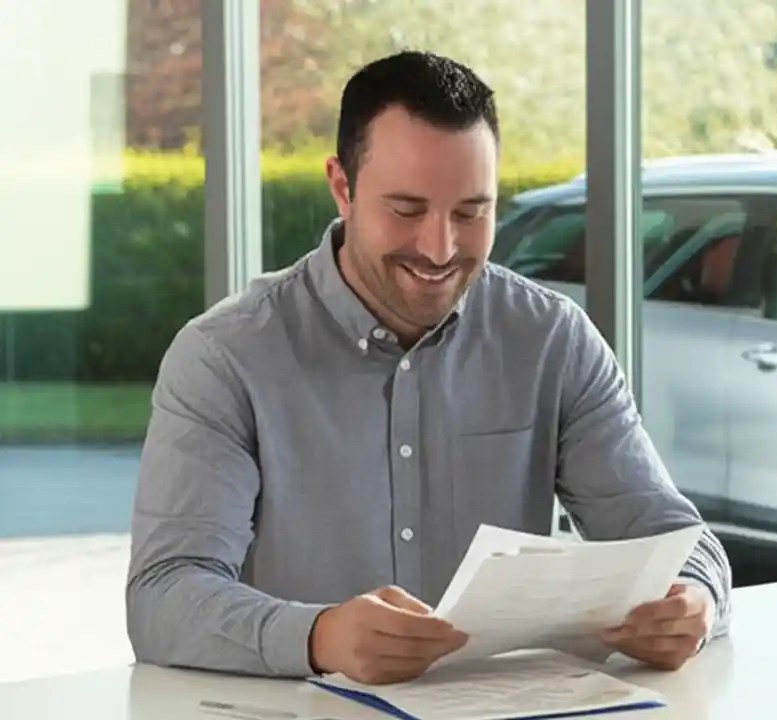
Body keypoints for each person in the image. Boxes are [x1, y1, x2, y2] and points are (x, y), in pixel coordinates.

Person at [126, 50, 731, 685]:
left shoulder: (551, 340)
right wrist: (319, 635)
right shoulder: (225, 356)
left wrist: (693, 601)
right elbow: (163, 597)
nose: (440, 248)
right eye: (407, 210)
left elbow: (681, 541)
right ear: (342, 187)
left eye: (471, 213)